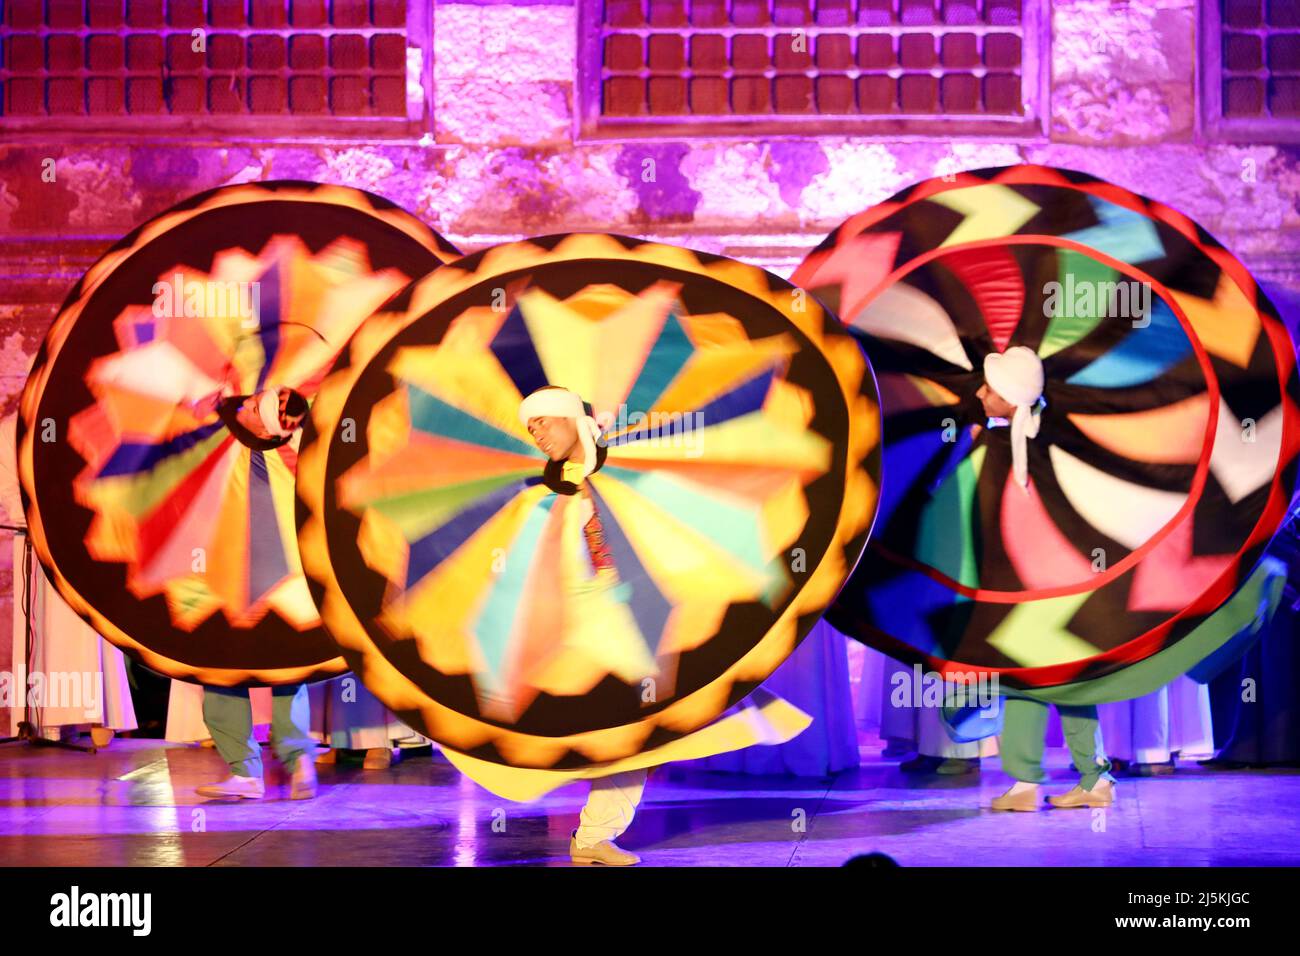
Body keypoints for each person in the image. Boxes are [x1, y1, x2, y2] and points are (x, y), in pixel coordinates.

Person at [438, 386, 812, 864]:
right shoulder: (536, 488)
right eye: (530, 428)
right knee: (608, 729)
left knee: (638, 734)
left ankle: (593, 837)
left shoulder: (625, 465)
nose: (537, 434)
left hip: (630, 612)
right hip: (572, 622)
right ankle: (589, 832)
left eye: (544, 422)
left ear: (573, 419)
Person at [971, 349, 1116, 810]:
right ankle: (1090, 779)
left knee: (1026, 678)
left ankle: (1028, 783)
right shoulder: (1051, 437)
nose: (979, 393)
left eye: (989, 388)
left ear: (1011, 398)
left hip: (1030, 584)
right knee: (1061, 680)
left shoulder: (997, 447)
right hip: (1063, 583)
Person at [194, 386, 317, 801]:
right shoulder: (221, 426)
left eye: (251, 406)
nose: (243, 402)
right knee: (220, 667)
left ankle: (298, 761)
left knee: (286, 667)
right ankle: (245, 773)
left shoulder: (294, 451)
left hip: (281, 570)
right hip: (226, 569)